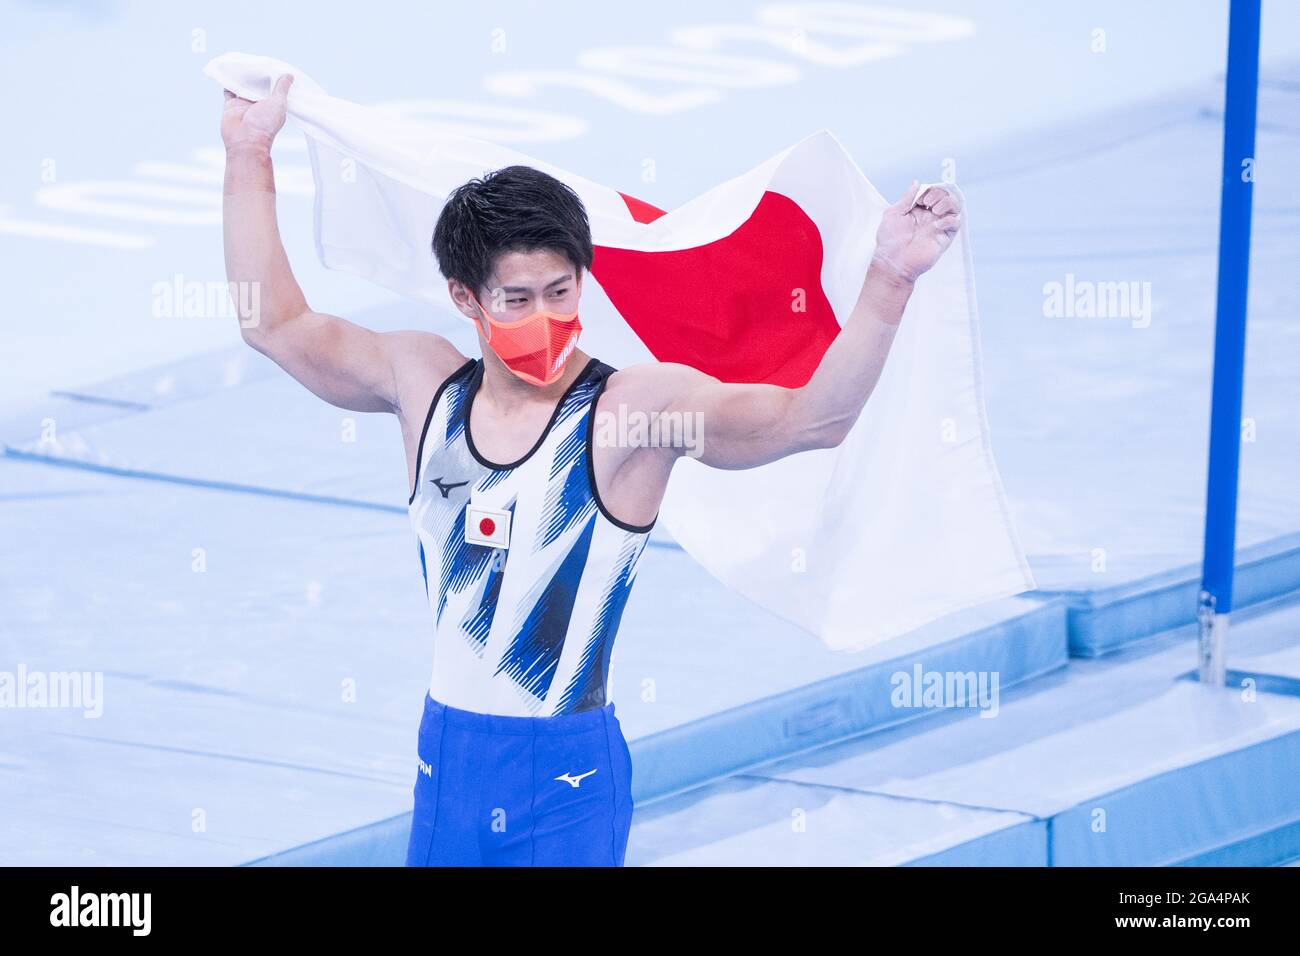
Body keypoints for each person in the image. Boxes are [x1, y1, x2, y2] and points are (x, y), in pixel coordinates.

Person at [220, 74, 961, 867]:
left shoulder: (632, 414)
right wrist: (248, 153)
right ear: (465, 298)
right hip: (446, 761)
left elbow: (813, 419)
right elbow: (274, 323)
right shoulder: (422, 385)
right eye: (515, 298)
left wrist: (889, 279)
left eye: (560, 291)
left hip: (562, 775)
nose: (543, 317)